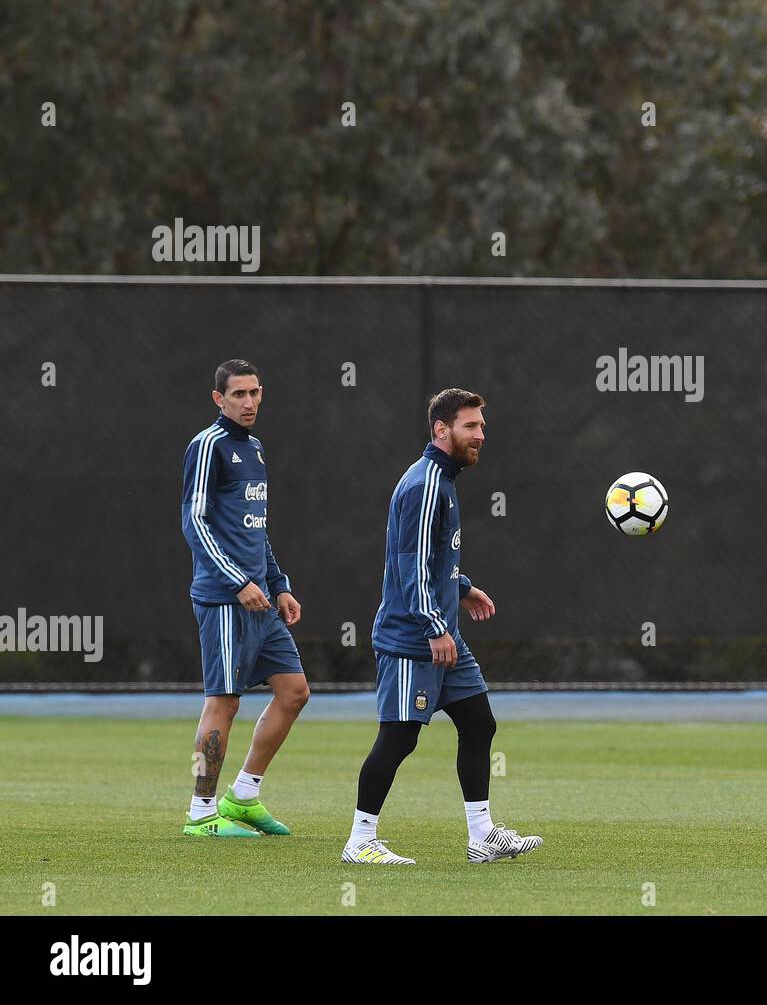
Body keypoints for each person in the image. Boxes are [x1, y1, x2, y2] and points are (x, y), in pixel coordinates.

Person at [342, 388, 541, 865]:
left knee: (478, 723)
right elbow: (408, 567)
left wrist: (463, 587)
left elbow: (433, 557)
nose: (480, 435)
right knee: (399, 737)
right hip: (414, 639)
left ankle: (482, 835)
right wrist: (435, 626)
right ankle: (359, 840)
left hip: (441, 633)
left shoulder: (443, 480)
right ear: (441, 429)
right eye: (470, 427)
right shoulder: (427, 483)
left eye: (482, 427)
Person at [180, 359, 309, 838]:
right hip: (225, 600)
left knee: (295, 692)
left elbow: (255, 529)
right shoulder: (207, 445)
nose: (250, 402)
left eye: (256, 392)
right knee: (223, 704)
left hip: (260, 598)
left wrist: (279, 584)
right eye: (239, 394)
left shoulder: (254, 448)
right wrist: (238, 581)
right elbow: (195, 523)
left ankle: (244, 796)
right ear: (219, 399)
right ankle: (200, 815)